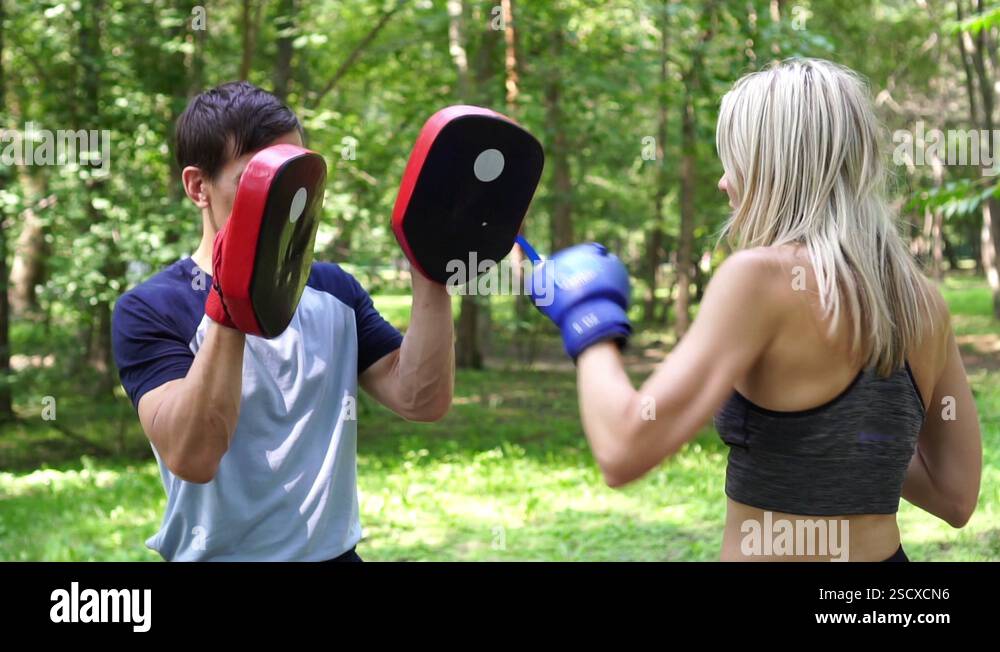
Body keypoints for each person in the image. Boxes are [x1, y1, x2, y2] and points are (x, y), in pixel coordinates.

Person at [529, 58, 983, 561]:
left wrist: (588, 319)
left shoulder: (759, 281)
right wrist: (851, 447)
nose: (725, 182)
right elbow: (954, 494)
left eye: (736, 158)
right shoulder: (924, 302)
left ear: (773, 164)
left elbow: (622, 450)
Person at [111, 81, 455, 561]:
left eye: (290, 176)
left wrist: (431, 270)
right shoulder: (151, 309)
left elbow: (421, 399)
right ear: (197, 187)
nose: (280, 198)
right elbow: (194, 456)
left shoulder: (335, 290)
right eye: (257, 178)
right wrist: (230, 301)